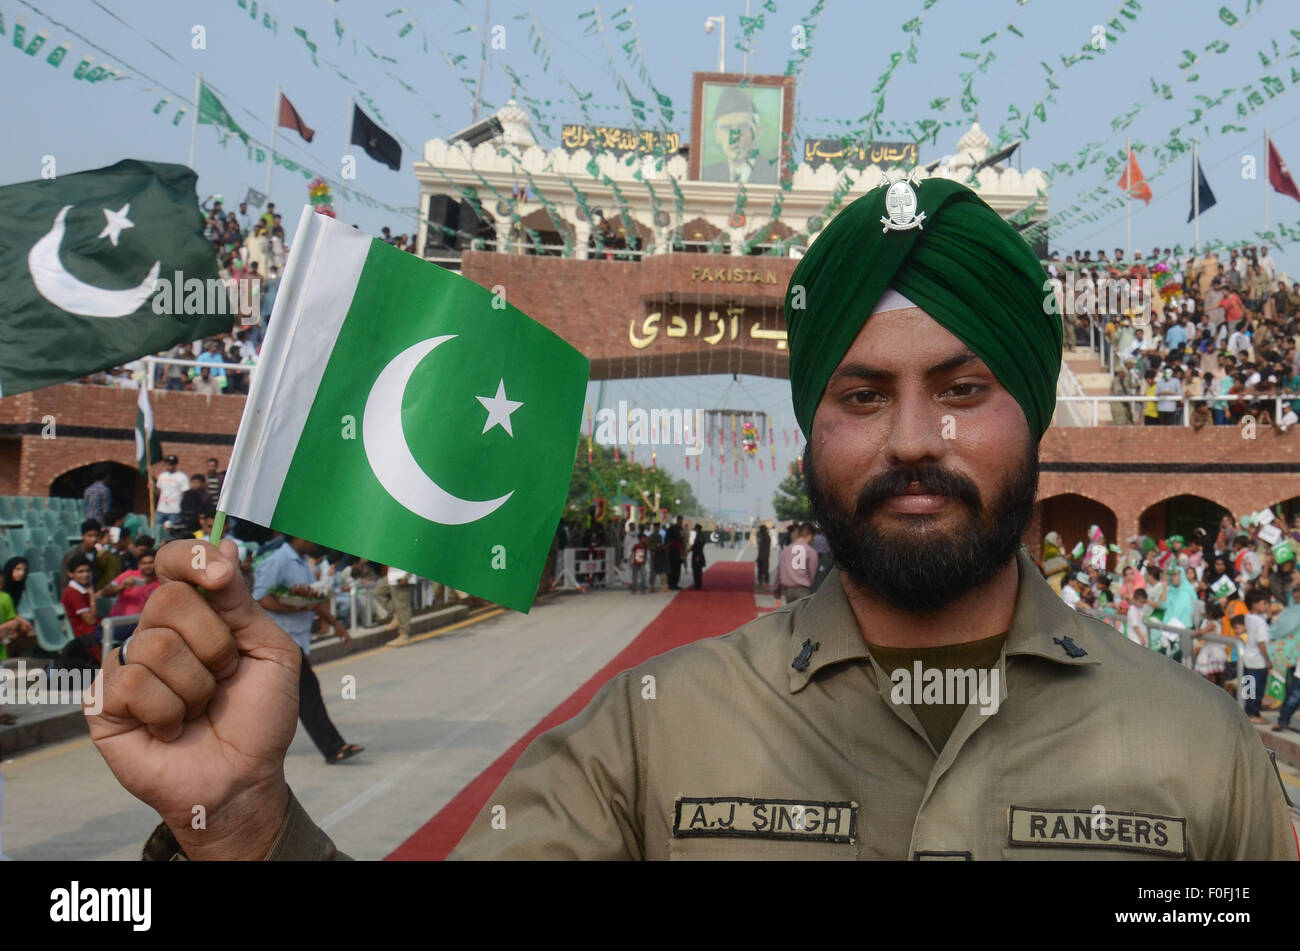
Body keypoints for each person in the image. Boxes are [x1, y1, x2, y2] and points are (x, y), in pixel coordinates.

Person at [87, 177, 1296, 861]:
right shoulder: (645, 741)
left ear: (1031, 417)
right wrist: (243, 823)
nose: (913, 439)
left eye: (964, 389)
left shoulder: (1200, 756)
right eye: (861, 396)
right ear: (809, 435)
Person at [251, 534, 363, 763]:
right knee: (308, 694)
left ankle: (255, 746)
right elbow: (260, 598)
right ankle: (334, 747)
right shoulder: (279, 561)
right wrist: (294, 609)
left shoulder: (303, 564)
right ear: (299, 539)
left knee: (279, 699)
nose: (315, 543)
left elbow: (313, 600)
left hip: (298, 638)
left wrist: (336, 626)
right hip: (283, 638)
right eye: (311, 539)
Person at [100, 549, 161, 640]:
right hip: (118, 621)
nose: (148, 566)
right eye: (144, 563)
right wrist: (122, 586)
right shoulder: (128, 575)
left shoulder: (161, 582)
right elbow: (105, 592)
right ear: (139, 565)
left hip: (141, 625)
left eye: (151, 563)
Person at [1241, 589, 1272, 724]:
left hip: (1248, 658)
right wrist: (1268, 660)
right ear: (1254, 604)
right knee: (1256, 689)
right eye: (1264, 603)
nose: (1267, 606)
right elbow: (1261, 642)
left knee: (1249, 688)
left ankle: (1248, 712)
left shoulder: (1249, 617)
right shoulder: (1259, 622)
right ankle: (1253, 714)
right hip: (1258, 661)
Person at [373, 563, 415, 647]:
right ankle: (396, 615)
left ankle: (404, 636)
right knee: (377, 592)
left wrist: (407, 576)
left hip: (403, 575)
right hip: (392, 575)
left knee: (402, 607)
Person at [775, 523, 817, 604]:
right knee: (803, 615)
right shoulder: (811, 551)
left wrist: (777, 594)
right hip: (804, 590)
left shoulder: (786, 550)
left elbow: (779, 573)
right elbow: (813, 574)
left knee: (791, 614)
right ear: (810, 536)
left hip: (788, 590)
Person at [153, 455, 188, 539]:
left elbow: (185, 493)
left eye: (172, 464)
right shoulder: (162, 476)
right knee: (158, 532)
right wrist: (153, 488)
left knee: (171, 534)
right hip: (161, 509)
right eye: (168, 464)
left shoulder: (182, 477)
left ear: (176, 464)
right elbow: (159, 492)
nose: (170, 466)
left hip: (175, 510)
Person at [665, 516, 685, 590]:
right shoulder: (672, 528)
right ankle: (671, 584)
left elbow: (683, 540)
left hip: (679, 551)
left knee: (678, 569)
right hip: (672, 551)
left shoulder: (681, 529)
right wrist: (667, 548)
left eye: (682, 521)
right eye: (680, 520)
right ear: (677, 520)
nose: (681, 522)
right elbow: (667, 539)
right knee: (671, 568)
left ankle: (676, 584)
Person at [689, 523, 707, 590]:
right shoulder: (701, 536)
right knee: (698, 571)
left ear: (697, 529)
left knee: (696, 571)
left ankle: (697, 585)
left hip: (697, 555)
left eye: (695, 529)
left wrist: (697, 556)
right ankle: (698, 584)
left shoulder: (699, 536)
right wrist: (689, 550)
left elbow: (698, 547)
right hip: (699, 554)